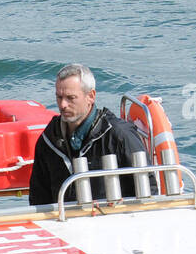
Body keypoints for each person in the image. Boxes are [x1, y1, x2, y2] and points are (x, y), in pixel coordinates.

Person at [28, 63, 154, 206]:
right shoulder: (49, 139)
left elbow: (149, 190)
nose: (63, 105)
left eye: (70, 98)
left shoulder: (119, 135)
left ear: (91, 96)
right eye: (59, 97)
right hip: (63, 222)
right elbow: (38, 197)